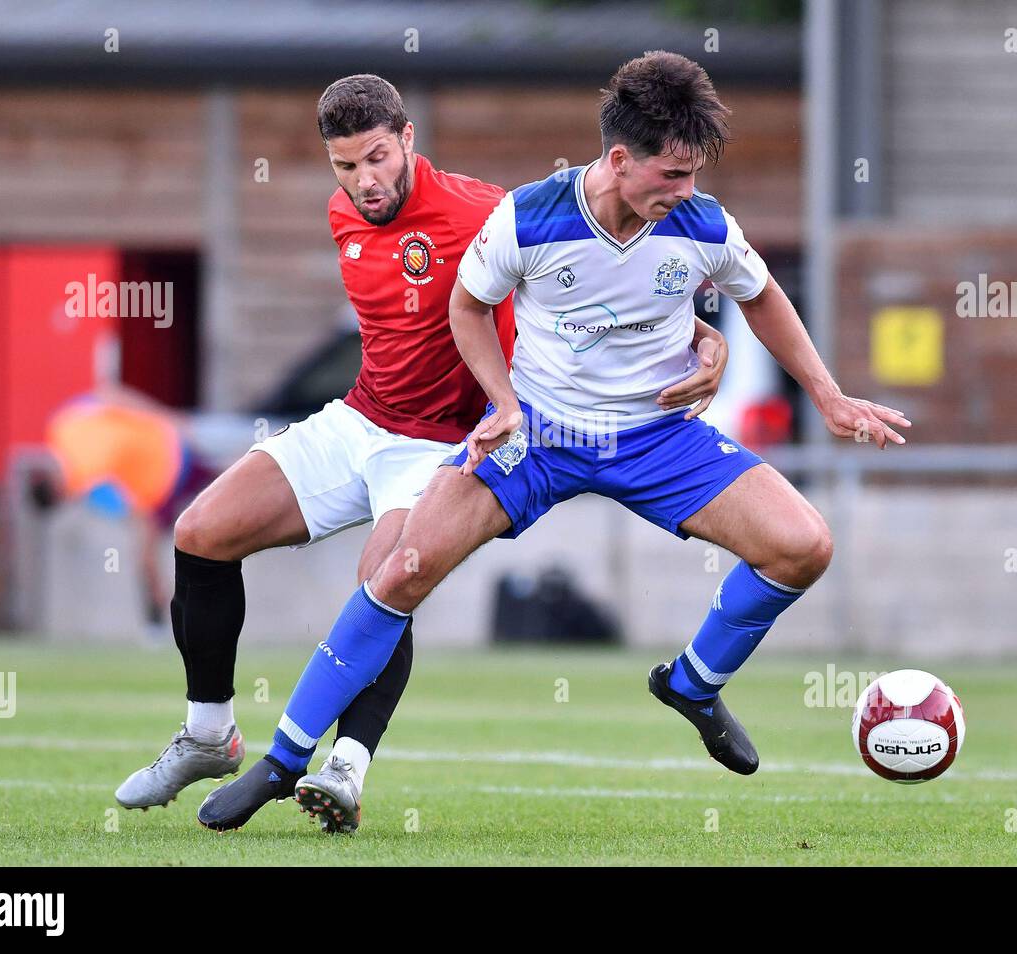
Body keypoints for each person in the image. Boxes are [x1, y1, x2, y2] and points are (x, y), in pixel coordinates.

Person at [258, 51, 912, 832]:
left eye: (694, 174)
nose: (687, 192)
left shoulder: (702, 224)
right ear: (618, 160)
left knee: (804, 544)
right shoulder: (532, 216)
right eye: (672, 174)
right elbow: (469, 307)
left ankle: (694, 684)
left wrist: (826, 395)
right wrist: (500, 402)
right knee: (403, 567)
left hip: (658, 436)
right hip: (540, 433)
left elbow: (762, 296)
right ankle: (282, 759)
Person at [113, 73, 732, 835]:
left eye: (377, 157)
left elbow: (593, 257)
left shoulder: (484, 210)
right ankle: (209, 734)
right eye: (346, 166)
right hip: (360, 420)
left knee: (386, 575)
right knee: (200, 533)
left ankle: (347, 765)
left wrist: (700, 333)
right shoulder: (343, 213)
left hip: (448, 441)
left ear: (408, 139)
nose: (364, 180)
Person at [29, 384, 216, 635]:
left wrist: (167, 417)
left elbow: (111, 396)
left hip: (177, 440)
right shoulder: (89, 484)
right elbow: (141, 519)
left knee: (252, 450)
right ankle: (158, 617)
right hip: (173, 481)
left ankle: (157, 619)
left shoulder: (65, 426)